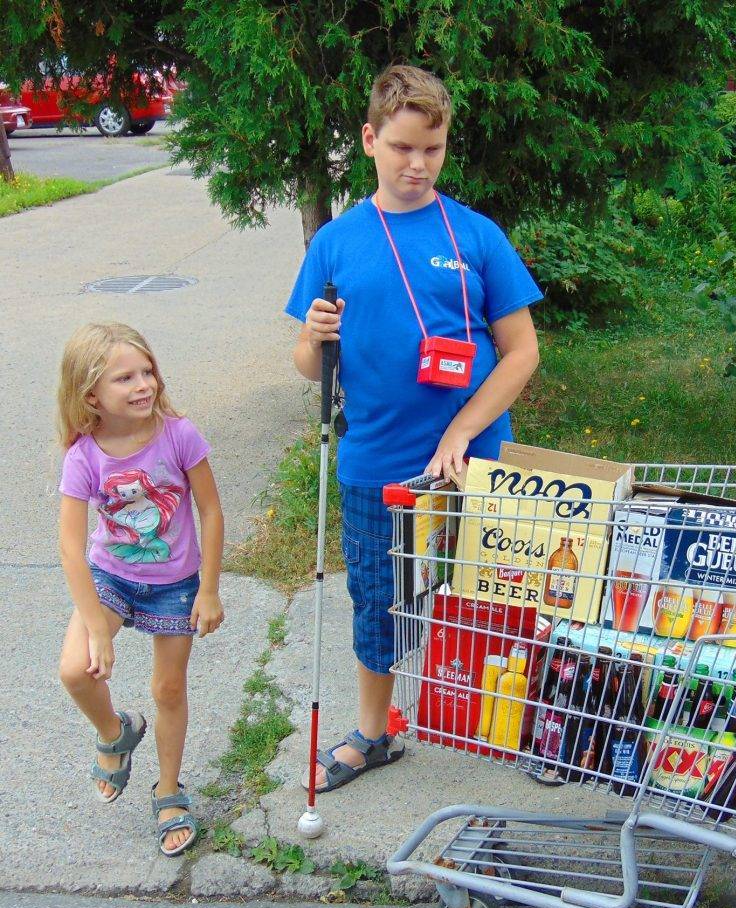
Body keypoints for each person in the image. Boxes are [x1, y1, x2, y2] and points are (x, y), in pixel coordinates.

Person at [287, 64, 542, 793]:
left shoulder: (476, 235)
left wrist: (462, 429)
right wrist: (314, 334)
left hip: (475, 459)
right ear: (370, 140)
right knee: (380, 600)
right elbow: (310, 365)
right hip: (377, 463)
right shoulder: (336, 243)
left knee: (497, 594)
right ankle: (374, 733)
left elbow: (522, 351)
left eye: (431, 150)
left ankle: (508, 721)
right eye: (400, 147)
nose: (416, 165)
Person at [56, 323, 225, 856]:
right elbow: (70, 547)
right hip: (111, 576)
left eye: (146, 371)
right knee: (75, 669)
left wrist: (210, 590)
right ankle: (116, 733)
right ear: (91, 395)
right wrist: (99, 634)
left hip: (175, 582)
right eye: (124, 377)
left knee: (168, 689)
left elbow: (211, 509)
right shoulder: (84, 456)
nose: (142, 384)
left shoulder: (179, 434)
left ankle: (170, 791)